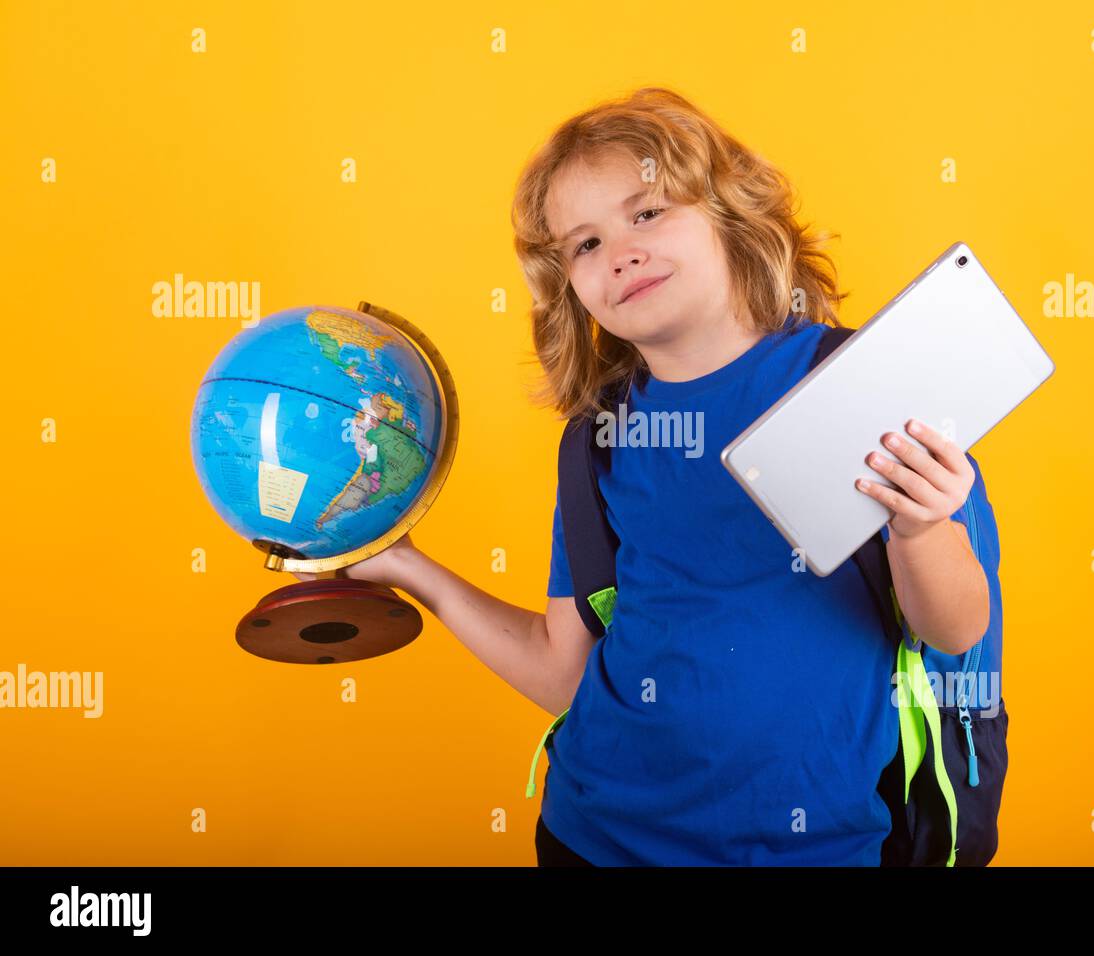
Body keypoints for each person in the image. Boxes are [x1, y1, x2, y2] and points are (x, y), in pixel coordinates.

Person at [299, 86, 992, 866]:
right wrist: (409, 568)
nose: (620, 251)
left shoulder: (867, 384)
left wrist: (922, 523)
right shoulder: (598, 440)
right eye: (584, 245)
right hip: (594, 840)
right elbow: (566, 672)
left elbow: (955, 630)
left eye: (648, 212)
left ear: (731, 216)